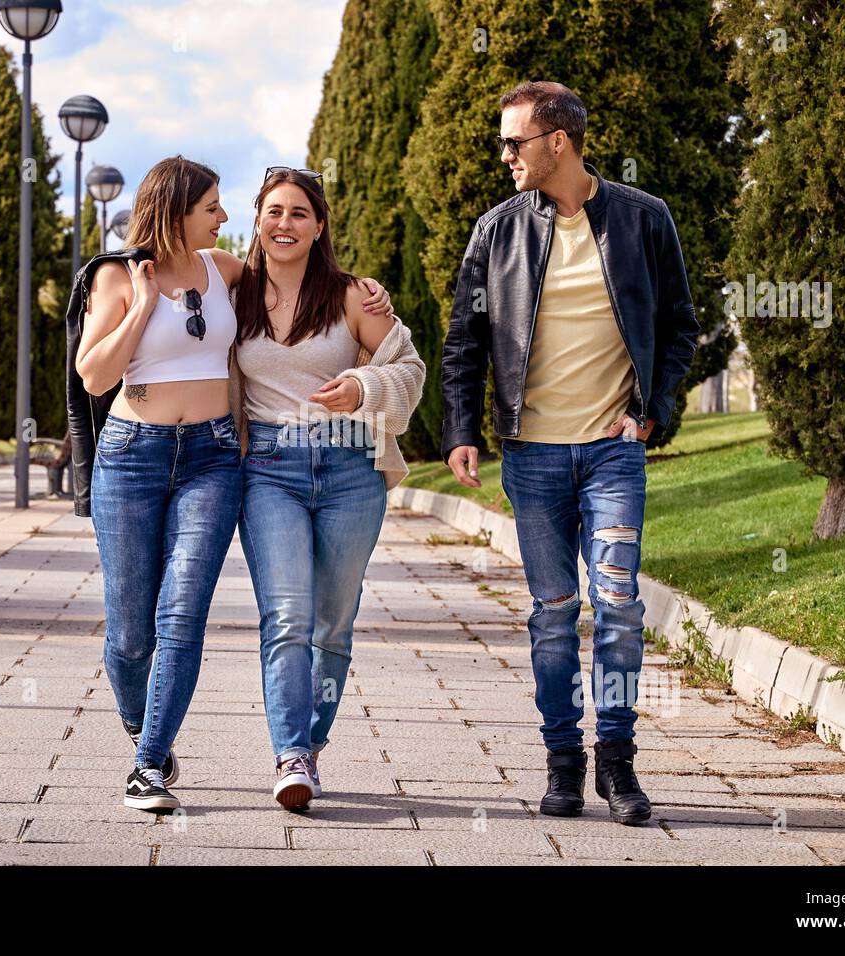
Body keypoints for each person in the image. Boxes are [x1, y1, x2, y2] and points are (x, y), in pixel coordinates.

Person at [71, 157, 393, 813]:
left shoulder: (223, 271)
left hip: (215, 457)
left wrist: (366, 293)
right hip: (133, 454)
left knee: (182, 615)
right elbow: (94, 377)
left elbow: (297, 279)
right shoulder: (113, 275)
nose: (225, 220)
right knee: (131, 634)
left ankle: (149, 764)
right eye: (213, 208)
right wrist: (139, 307)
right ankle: (144, 725)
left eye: (224, 209)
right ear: (177, 209)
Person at [440, 83, 700, 826]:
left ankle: (618, 766)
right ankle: (563, 762)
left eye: (514, 142)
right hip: (532, 455)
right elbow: (464, 342)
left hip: (614, 452)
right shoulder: (497, 232)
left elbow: (680, 327)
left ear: (559, 142)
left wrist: (656, 412)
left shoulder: (645, 219)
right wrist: (462, 430)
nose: (504, 155)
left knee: (618, 607)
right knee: (554, 614)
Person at [230, 167, 425, 810]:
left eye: (299, 213)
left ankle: (309, 748)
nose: (284, 223)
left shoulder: (351, 298)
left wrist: (364, 388)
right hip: (269, 470)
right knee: (286, 616)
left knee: (333, 624)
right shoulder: (233, 290)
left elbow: (408, 367)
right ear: (257, 219)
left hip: (349, 471)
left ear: (319, 228)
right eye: (273, 211)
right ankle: (289, 753)